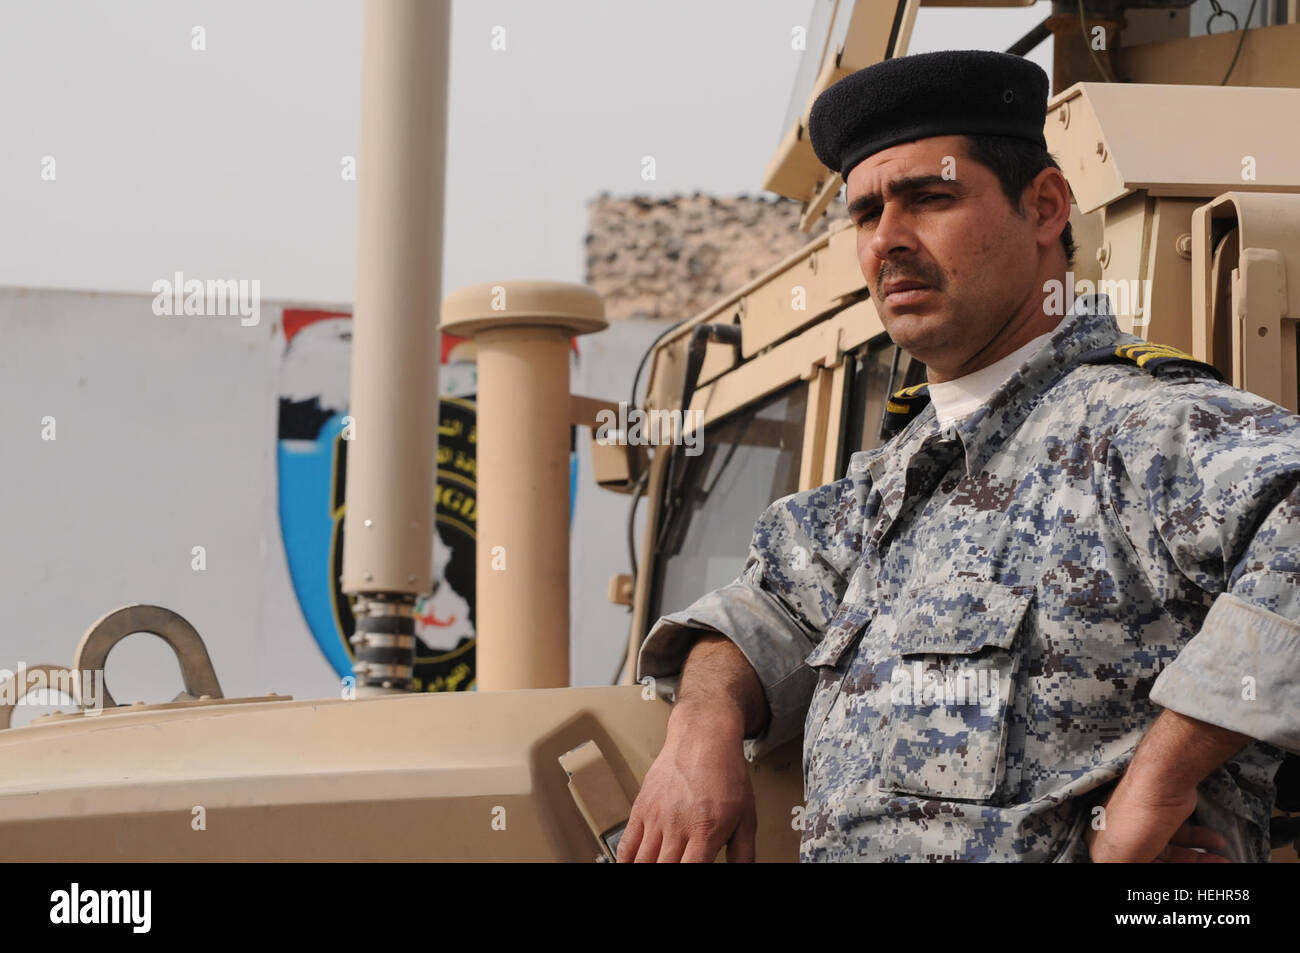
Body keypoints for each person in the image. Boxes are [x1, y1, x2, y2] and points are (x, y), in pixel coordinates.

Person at [617, 50, 1300, 863]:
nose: (889, 241)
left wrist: (1162, 778)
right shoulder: (894, 484)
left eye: (929, 199)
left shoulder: (1134, 429)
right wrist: (700, 728)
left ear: (1045, 207)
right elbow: (765, 607)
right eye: (867, 214)